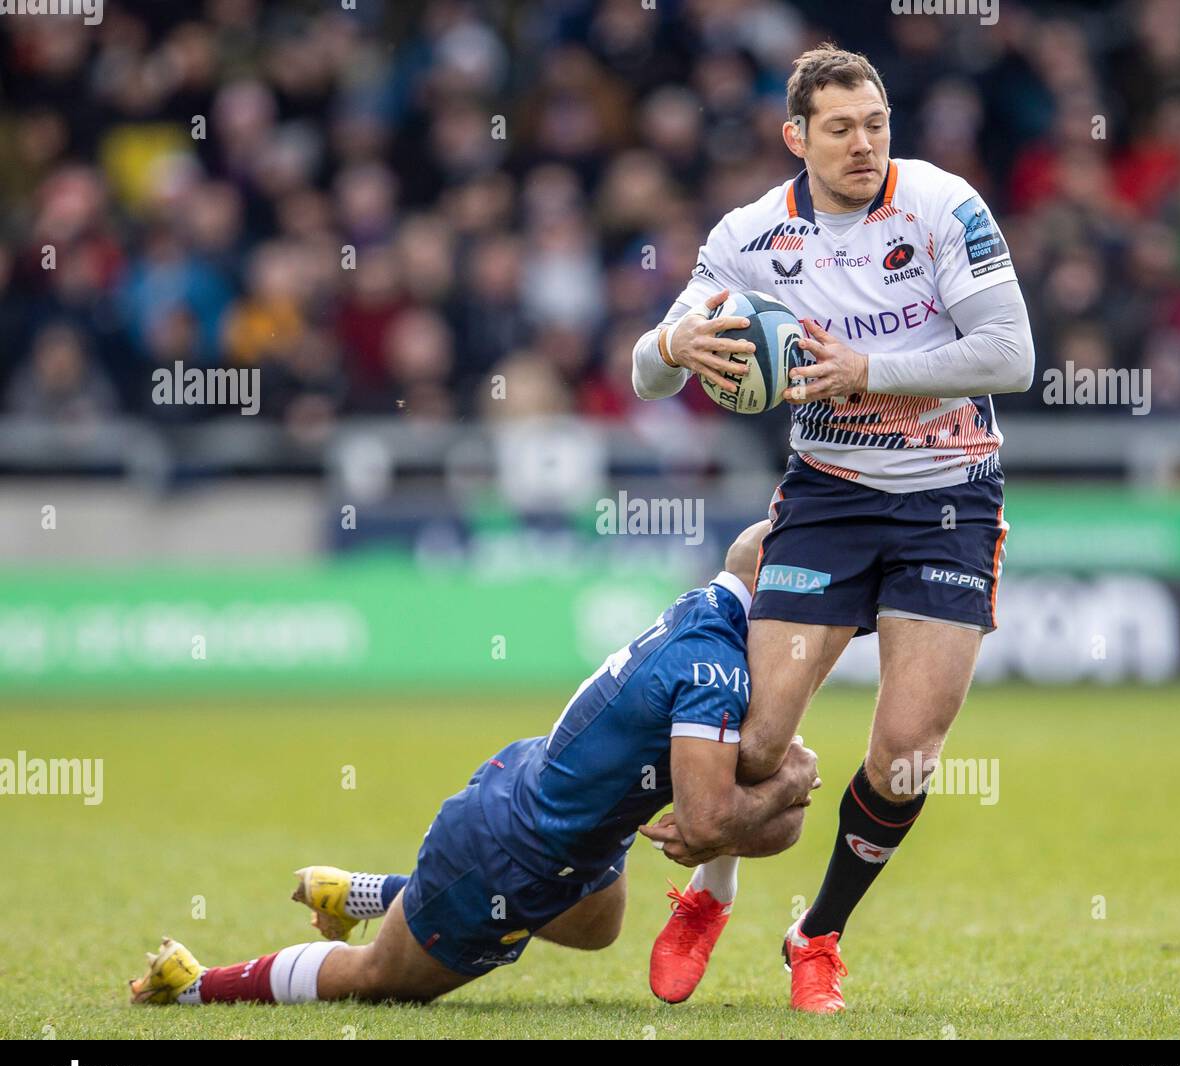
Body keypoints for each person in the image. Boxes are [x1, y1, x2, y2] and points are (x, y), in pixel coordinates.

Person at [634, 44, 1034, 1013]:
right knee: (761, 742)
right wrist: (670, 344)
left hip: (948, 496)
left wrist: (869, 372)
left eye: (877, 123)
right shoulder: (750, 237)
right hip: (829, 496)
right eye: (841, 128)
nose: (864, 144)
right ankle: (711, 890)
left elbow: (1012, 355)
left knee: (903, 752)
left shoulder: (942, 205)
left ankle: (817, 934)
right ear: (795, 137)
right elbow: (648, 370)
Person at [129, 521, 821, 1006]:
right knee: (376, 980)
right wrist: (791, 779)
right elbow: (705, 827)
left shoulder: (707, 611)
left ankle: (373, 892)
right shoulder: (715, 666)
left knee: (599, 924)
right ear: (765, 580)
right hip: (507, 850)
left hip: (553, 814)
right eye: (805, 592)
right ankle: (192, 982)